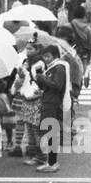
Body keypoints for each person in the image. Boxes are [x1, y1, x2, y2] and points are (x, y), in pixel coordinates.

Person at [32, 44, 68, 173]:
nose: (45, 59)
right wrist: (39, 77)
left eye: (48, 56)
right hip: (47, 102)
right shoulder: (51, 68)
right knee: (49, 133)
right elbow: (45, 87)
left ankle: (52, 162)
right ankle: (51, 161)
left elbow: (57, 85)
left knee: (51, 133)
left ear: (55, 56)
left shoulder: (59, 68)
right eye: (44, 56)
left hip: (52, 104)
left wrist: (44, 78)